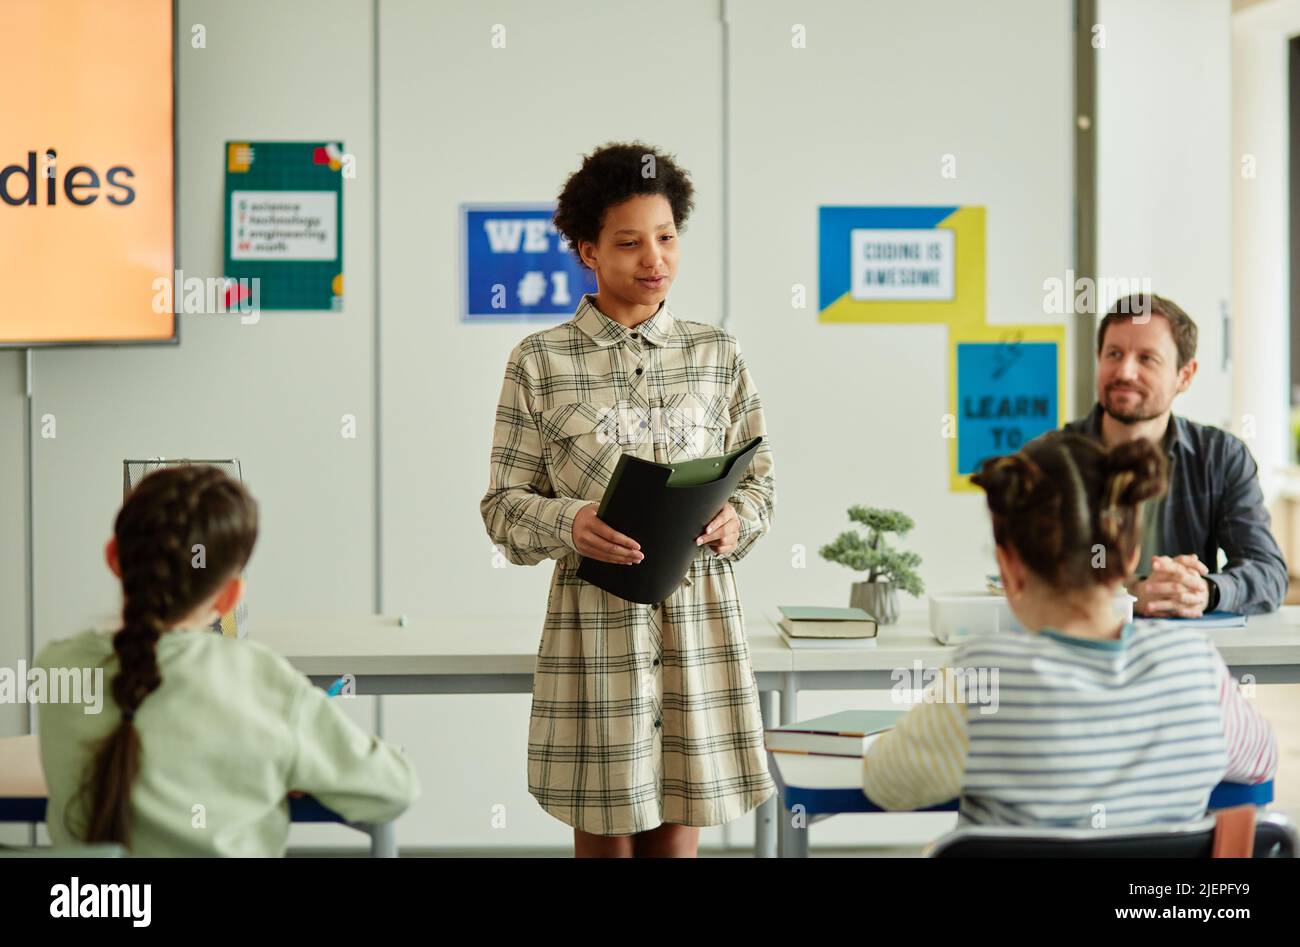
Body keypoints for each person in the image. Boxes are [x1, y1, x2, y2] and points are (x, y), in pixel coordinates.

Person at [480, 141, 776, 857]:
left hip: (699, 633)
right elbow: (502, 506)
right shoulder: (540, 361)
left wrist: (742, 518)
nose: (655, 258)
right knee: (606, 842)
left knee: (678, 842)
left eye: (668, 237)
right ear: (587, 250)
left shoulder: (718, 354)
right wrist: (570, 522)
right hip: (597, 636)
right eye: (629, 242)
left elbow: (760, 478)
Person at [862, 432, 1276, 825]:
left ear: (1008, 568)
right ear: (1131, 555)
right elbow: (1262, 760)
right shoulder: (1195, 667)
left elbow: (885, 784)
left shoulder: (981, 680)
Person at [35, 465, 418, 855]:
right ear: (230, 597)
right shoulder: (261, 680)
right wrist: (290, 762)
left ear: (113, 558)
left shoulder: (54, 668)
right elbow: (394, 789)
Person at [1061, 293, 1287, 616]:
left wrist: (1205, 591)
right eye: (1114, 354)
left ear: (1185, 375)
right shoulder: (1056, 457)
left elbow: (1268, 571)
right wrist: (1132, 592)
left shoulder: (1220, 457)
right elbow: (1030, 575)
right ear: (1098, 358)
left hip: (1191, 656)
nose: (1125, 372)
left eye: (1146, 358)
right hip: (1079, 652)